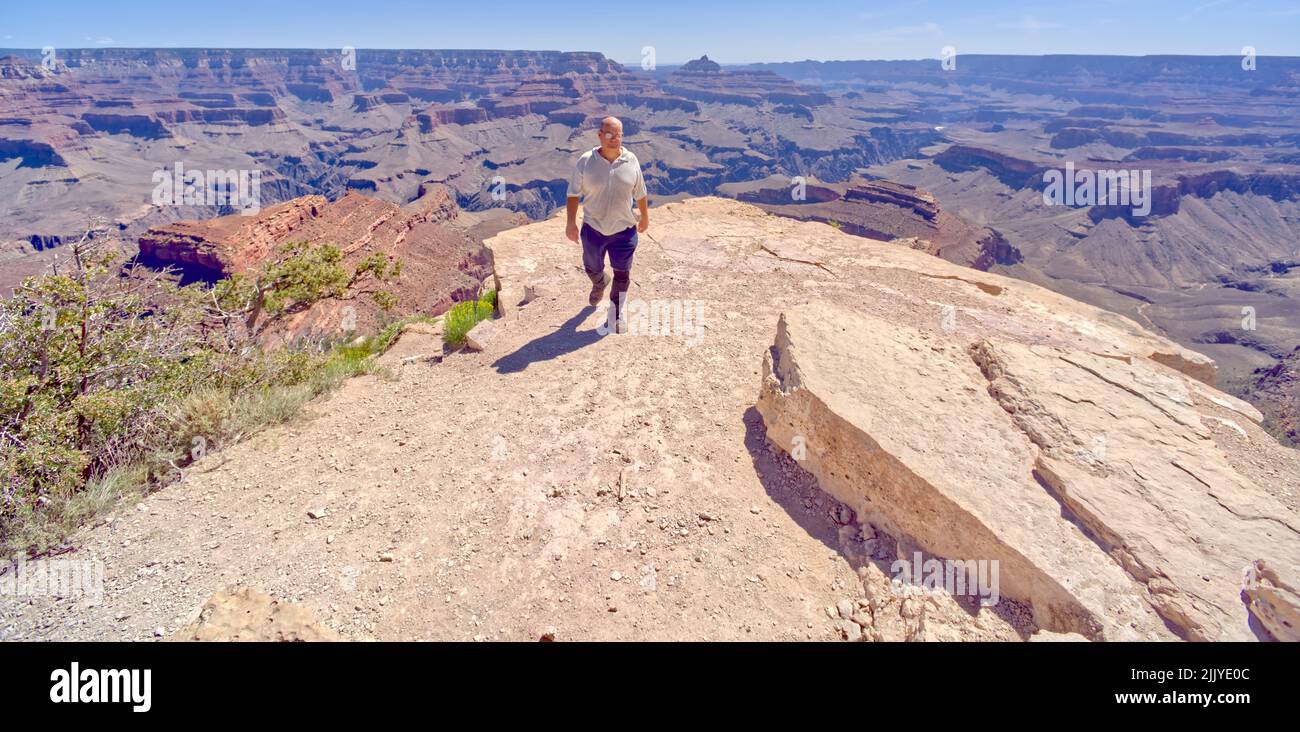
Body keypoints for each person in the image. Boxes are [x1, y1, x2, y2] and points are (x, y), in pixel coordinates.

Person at [565, 116, 649, 333]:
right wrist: (571, 224)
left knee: (623, 274)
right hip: (593, 228)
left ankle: (616, 313)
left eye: (618, 135)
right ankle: (600, 281)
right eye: (609, 134)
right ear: (600, 135)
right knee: (592, 267)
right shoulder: (586, 161)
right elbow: (573, 194)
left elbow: (640, 192)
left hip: (624, 230)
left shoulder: (632, 160)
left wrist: (645, 217)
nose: (614, 139)